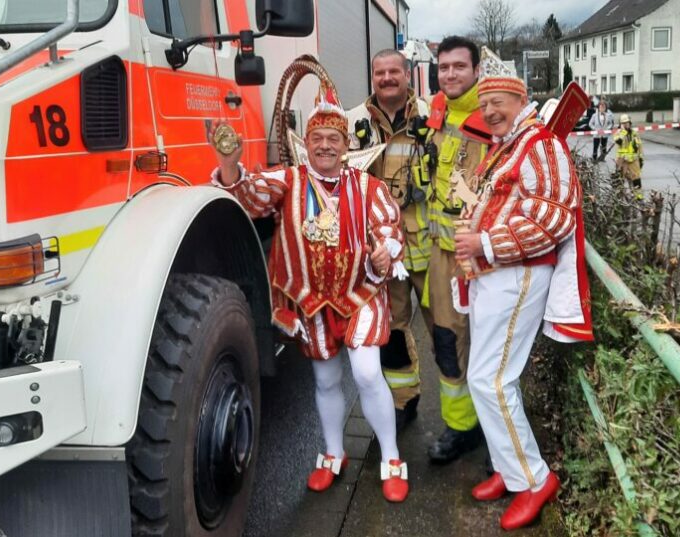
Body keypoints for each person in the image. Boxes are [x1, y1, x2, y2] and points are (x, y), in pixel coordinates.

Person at [209, 82, 409, 502]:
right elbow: (249, 196)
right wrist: (230, 165)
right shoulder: (290, 180)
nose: (324, 146)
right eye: (316, 139)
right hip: (311, 301)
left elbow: (391, 230)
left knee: (368, 372)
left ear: (345, 144)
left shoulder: (367, 186)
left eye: (332, 139)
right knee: (325, 379)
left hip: (361, 295)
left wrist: (384, 253)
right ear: (307, 144)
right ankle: (334, 453)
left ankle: (391, 457)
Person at [452, 70, 594, 530]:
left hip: (519, 275)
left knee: (493, 381)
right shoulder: (507, 146)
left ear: (521, 101)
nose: (490, 111)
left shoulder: (539, 144)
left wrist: (486, 245)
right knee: (484, 379)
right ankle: (508, 470)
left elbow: (557, 218)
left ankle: (534, 481)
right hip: (497, 276)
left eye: (499, 102)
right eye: (485, 103)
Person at [347, 49, 432, 431]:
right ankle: (403, 402)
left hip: (430, 245)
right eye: (379, 72)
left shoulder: (432, 117)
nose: (386, 78)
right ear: (372, 76)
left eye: (393, 71)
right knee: (393, 332)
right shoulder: (354, 122)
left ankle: (464, 419)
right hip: (383, 248)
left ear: (408, 74)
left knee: (446, 331)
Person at [424, 35, 494, 464]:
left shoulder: (493, 114)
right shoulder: (435, 113)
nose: (449, 74)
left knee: (492, 346)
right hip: (440, 255)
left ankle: (498, 431)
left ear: (475, 70)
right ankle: (461, 428)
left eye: (458, 67)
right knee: (448, 343)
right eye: (443, 67)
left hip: (486, 258)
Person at [614, 113, 644, 189]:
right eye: (623, 123)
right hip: (622, 161)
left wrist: (641, 158)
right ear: (621, 124)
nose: (626, 125)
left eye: (627, 123)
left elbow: (639, 146)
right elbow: (618, 142)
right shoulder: (618, 133)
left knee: (636, 179)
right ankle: (618, 197)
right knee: (620, 180)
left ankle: (638, 197)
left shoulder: (634, 133)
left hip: (633, 160)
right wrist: (623, 132)